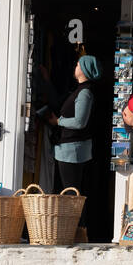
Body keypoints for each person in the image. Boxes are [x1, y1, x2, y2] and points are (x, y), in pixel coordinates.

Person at [43, 54, 102, 193]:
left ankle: (73, 216)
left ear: (84, 69)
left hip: (72, 151)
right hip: (68, 149)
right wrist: (46, 80)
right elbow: (58, 102)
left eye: (77, 65)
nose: (75, 67)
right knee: (68, 192)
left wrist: (58, 121)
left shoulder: (85, 92)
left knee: (70, 193)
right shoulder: (79, 90)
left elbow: (79, 122)